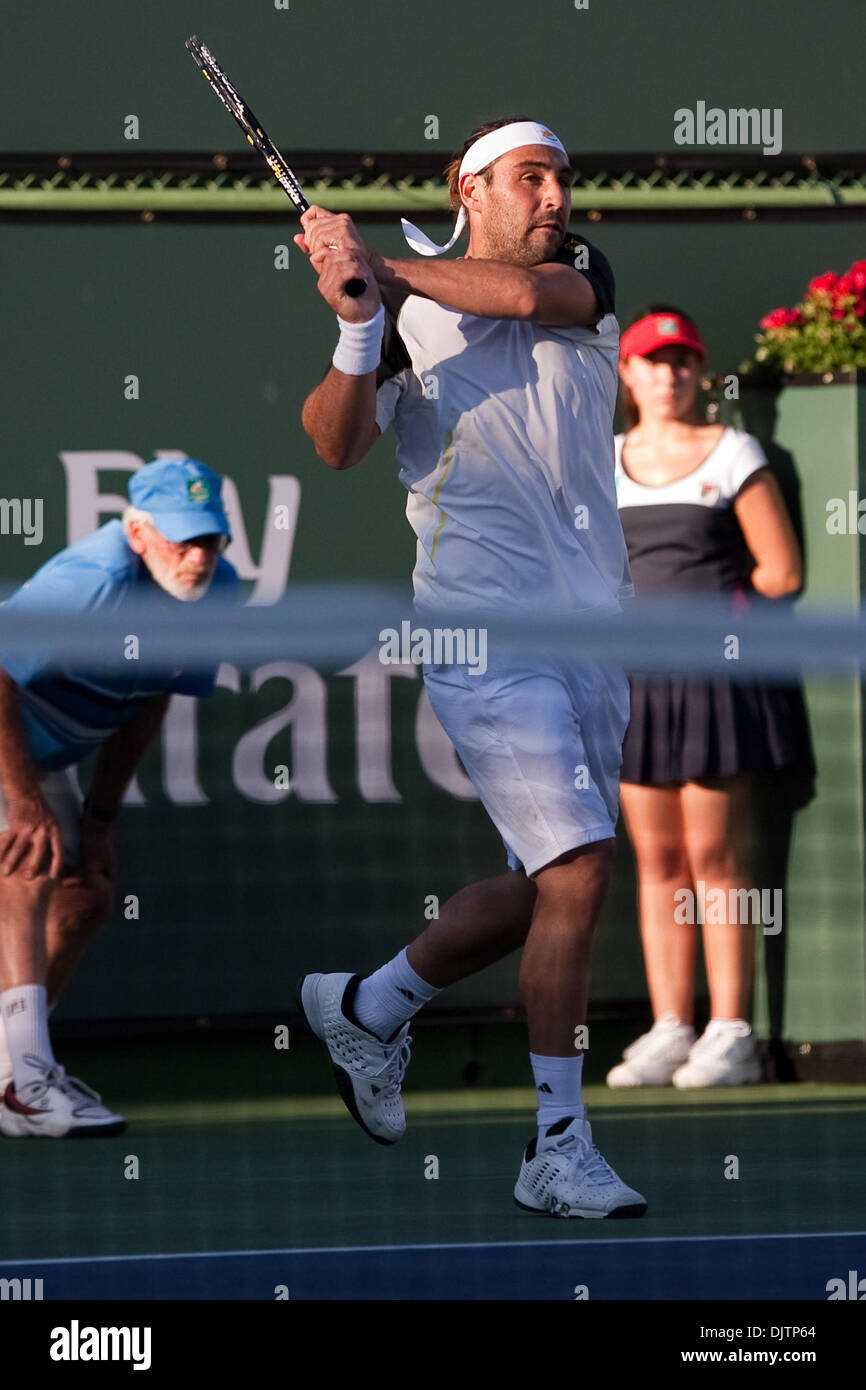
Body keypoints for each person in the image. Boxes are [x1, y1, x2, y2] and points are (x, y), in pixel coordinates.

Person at [295, 117, 646, 1218]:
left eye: (561, 180)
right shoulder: (403, 310)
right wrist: (359, 325)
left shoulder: (579, 270)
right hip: (476, 628)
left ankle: (368, 1001)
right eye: (530, 179)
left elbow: (528, 301)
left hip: (594, 632)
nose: (554, 197)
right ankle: (554, 1143)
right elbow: (333, 441)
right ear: (469, 186)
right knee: (580, 867)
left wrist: (380, 266)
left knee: (543, 884)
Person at [606, 305, 814, 1088]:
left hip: (715, 683)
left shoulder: (733, 454)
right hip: (637, 685)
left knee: (716, 860)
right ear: (627, 375)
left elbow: (781, 572)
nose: (670, 375)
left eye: (683, 361)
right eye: (653, 362)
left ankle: (731, 1032)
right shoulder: (607, 458)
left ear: (700, 372)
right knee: (657, 859)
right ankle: (670, 1027)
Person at [0, 458, 238, 1136]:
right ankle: (25, 1078)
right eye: (180, 540)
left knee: (85, 898)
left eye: (209, 541)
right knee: (26, 860)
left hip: (38, 754)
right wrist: (24, 804)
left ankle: (10, 1074)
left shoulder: (213, 592)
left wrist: (98, 818)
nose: (195, 558)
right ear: (137, 533)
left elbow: (149, 700)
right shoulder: (93, 583)